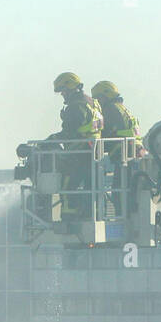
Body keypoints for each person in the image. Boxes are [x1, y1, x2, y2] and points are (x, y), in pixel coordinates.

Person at [46, 73, 103, 219]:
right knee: (91, 189)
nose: (63, 95)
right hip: (95, 154)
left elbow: (70, 132)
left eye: (63, 91)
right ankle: (90, 215)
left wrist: (51, 140)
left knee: (67, 188)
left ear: (70, 88)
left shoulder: (75, 107)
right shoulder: (92, 103)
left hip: (79, 153)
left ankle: (68, 220)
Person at [92, 81, 142, 216]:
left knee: (119, 193)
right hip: (131, 153)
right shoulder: (122, 108)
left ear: (105, 96)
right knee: (125, 191)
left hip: (122, 155)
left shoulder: (110, 110)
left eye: (98, 99)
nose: (97, 103)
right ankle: (127, 214)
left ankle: (122, 215)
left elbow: (106, 133)